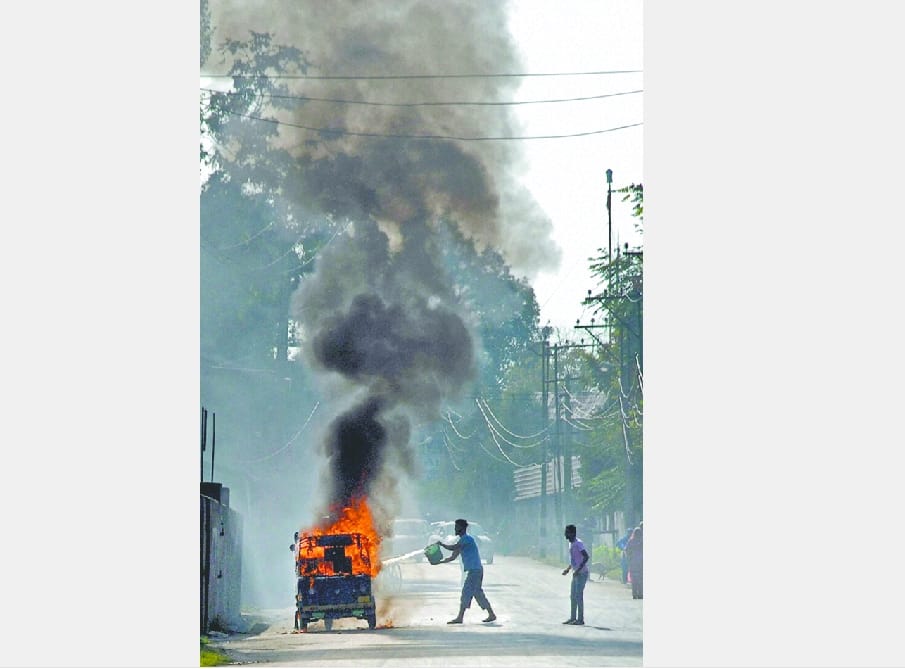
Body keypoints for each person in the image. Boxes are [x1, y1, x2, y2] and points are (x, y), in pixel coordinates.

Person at [433, 518, 497, 624]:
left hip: (474, 571)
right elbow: (453, 557)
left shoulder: (466, 539)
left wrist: (442, 544)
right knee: (477, 593)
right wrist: (440, 562)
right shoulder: (463, 541)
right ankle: (491, 614)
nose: (455, 529)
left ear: (462, 528)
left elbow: (453, 548)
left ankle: (460, 617)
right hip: (476, 570)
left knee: (466, 592)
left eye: (456, 527)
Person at [561, 524, 591, 625]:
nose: (565, 535)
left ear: (572, 533)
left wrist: (578, 569)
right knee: (573, 596)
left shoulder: (578, 543)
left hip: (582, 574)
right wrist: (568, 569)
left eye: (567, 532)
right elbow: (575, 559)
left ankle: (580, 619)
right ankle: (573, 618)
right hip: (576, 573)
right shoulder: (571, 544)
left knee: (578, 596)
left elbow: (586, 557)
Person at [626, 525, 643, 599]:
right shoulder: (642, 541)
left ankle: (634, 594)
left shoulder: (631, 541)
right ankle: (640, 593)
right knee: (641, 579)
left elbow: (627, 551)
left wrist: (629, 559)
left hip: (633, 563)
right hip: (641, 563)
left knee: (634, 579)